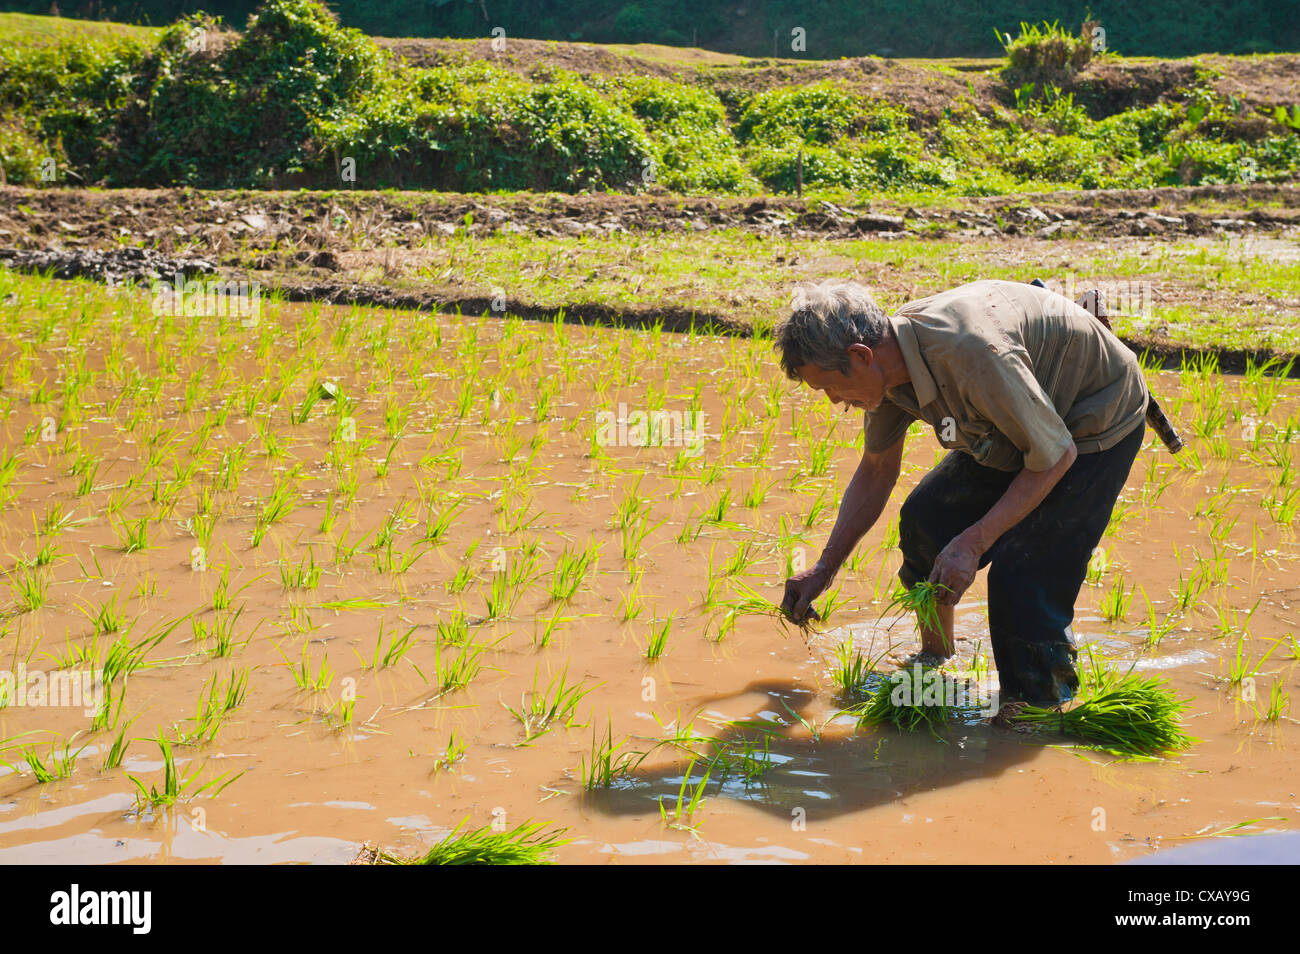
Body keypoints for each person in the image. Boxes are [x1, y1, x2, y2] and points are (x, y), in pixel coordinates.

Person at [775, 278, 1148, 715]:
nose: (836, 401)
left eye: (830, 388)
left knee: (1023, 573)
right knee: (927, 521)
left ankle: (1037, 708)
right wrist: (824, 567)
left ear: (860, 356)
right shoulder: (887, 374)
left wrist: (974, 542)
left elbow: (1053, 455)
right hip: (1011, 426)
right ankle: (936, 658)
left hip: (1089, 427)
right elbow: (877, 470)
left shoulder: (970, 354)